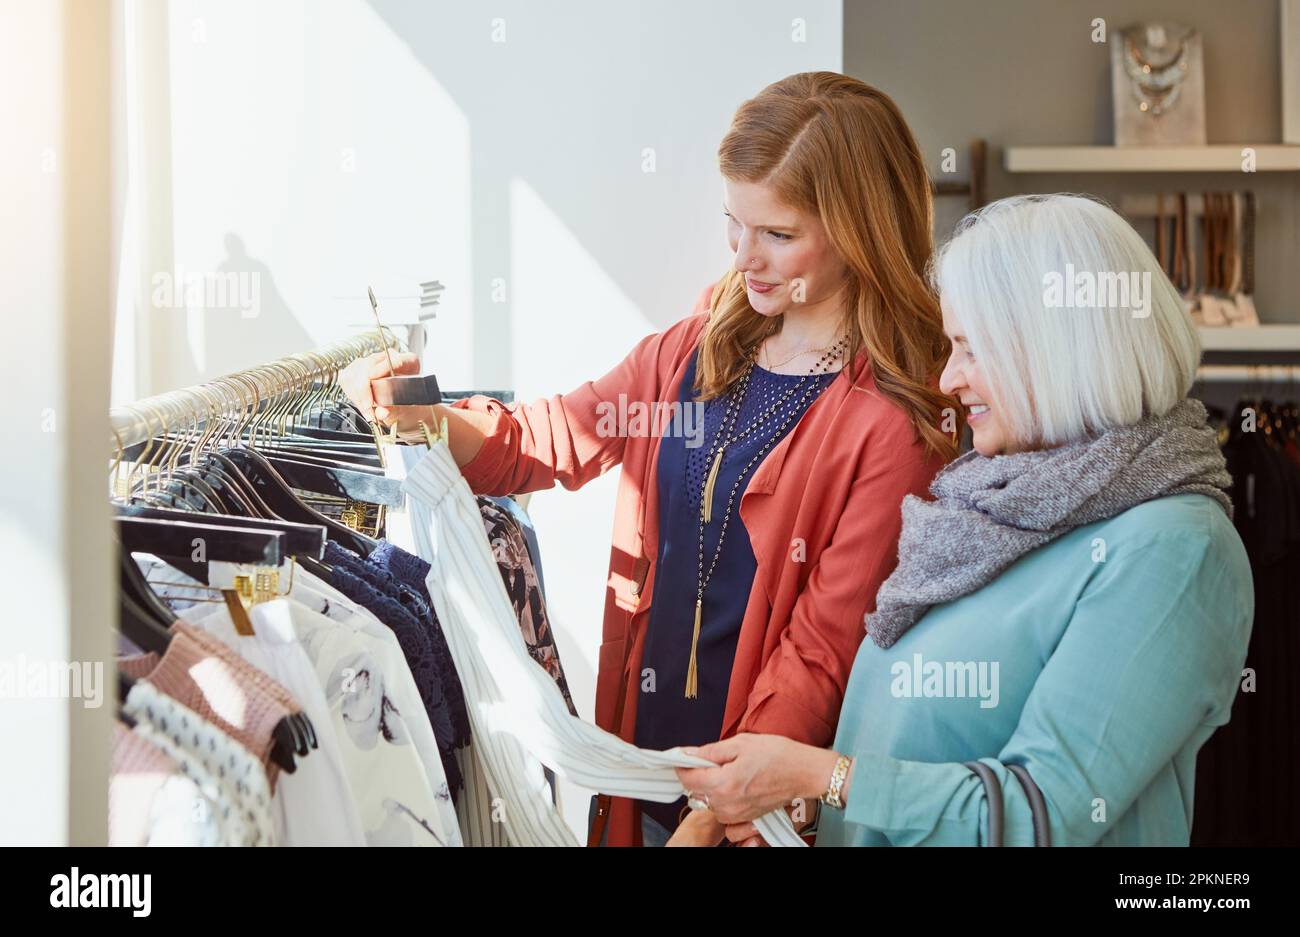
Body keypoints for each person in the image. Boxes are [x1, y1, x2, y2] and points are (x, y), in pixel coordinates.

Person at [340, 72, 956, 846]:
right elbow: (549, 439)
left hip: (750, 804)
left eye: (777, 234)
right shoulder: (692, 351)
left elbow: (820, 652)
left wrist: (717, 815)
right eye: (733, 223)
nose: (746, 257)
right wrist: (418, 414)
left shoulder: (892, 425)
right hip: (646, 769)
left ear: (860, 228)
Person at [673, 194, 1255, 847]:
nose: (948, 379)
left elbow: (1043, 816)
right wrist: (805, 809)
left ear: (1059, 351)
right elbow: (914, 751)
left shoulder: (1173, 549)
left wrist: (821, 777)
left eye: (970, 350)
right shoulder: (984, 510)